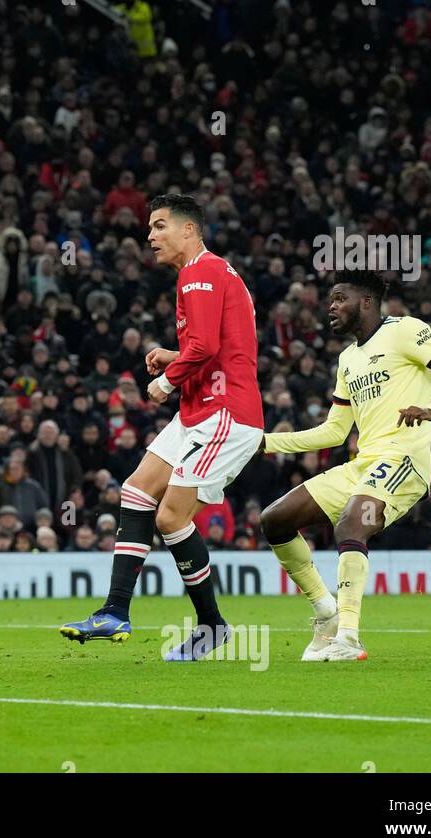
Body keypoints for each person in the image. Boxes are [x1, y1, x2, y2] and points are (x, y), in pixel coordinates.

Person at [60, 194, 264, 661]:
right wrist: (176, 357)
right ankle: (114, 611)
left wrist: (168, 381)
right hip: (200, 409)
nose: (150, 236)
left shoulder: (200, 273)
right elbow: (222, 345)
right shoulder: (208, 273)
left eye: (159, 226)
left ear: (188, 230)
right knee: (135, 491)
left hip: (224, 413)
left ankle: (212, 626)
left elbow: (209, 347)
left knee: (171, 517)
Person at [258, 271, 431, 660]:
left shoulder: (406, 330)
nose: (331, 307)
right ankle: (325, 613)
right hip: (364, 463)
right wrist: (266, 443)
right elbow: (333, 432)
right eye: (330, 300)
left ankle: (349, 637)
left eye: (340, 298)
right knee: (275, 519)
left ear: (367, 301)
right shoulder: (347, 359)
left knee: (352, 523)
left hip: (404, 459)